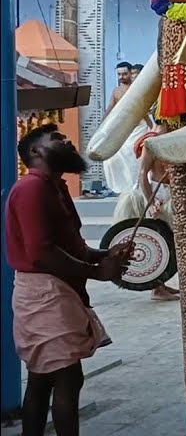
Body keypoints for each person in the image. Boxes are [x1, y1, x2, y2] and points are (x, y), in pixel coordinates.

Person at [6, 124, 133, 436]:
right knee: (65, 378)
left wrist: (104, 254)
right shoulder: (31, 188)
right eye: (56, 139)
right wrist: (97, 271)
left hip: (54, 291)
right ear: (36, 152)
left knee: (42, 379)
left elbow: (71, 245)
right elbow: (40, 253)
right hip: (43, 292)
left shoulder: (54, 186)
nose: (66, 141)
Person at [112, 121, 180, 301]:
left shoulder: (168, 139)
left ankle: (162, 284)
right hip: (156, 193)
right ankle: (156, 289)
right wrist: (151, 202)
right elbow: (142, 176)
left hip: (166, 193)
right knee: (156, 239)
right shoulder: (150, 143)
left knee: (165, 241)